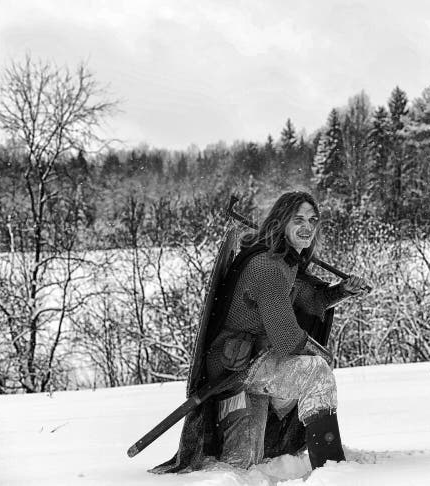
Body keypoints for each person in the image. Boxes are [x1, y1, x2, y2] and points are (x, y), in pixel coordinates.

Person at [151, 191, 370, 473]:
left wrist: (343, 291)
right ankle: (331, 469)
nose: (307, 227)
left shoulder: (284, 263)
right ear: (281, 222)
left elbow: (311, 300)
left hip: (251, 363)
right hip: (235, 368)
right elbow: (287, 339)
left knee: (243, 464)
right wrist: (322, 354)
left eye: (313, 220)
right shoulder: (268, 267)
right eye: (298, 219)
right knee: (316, 371)